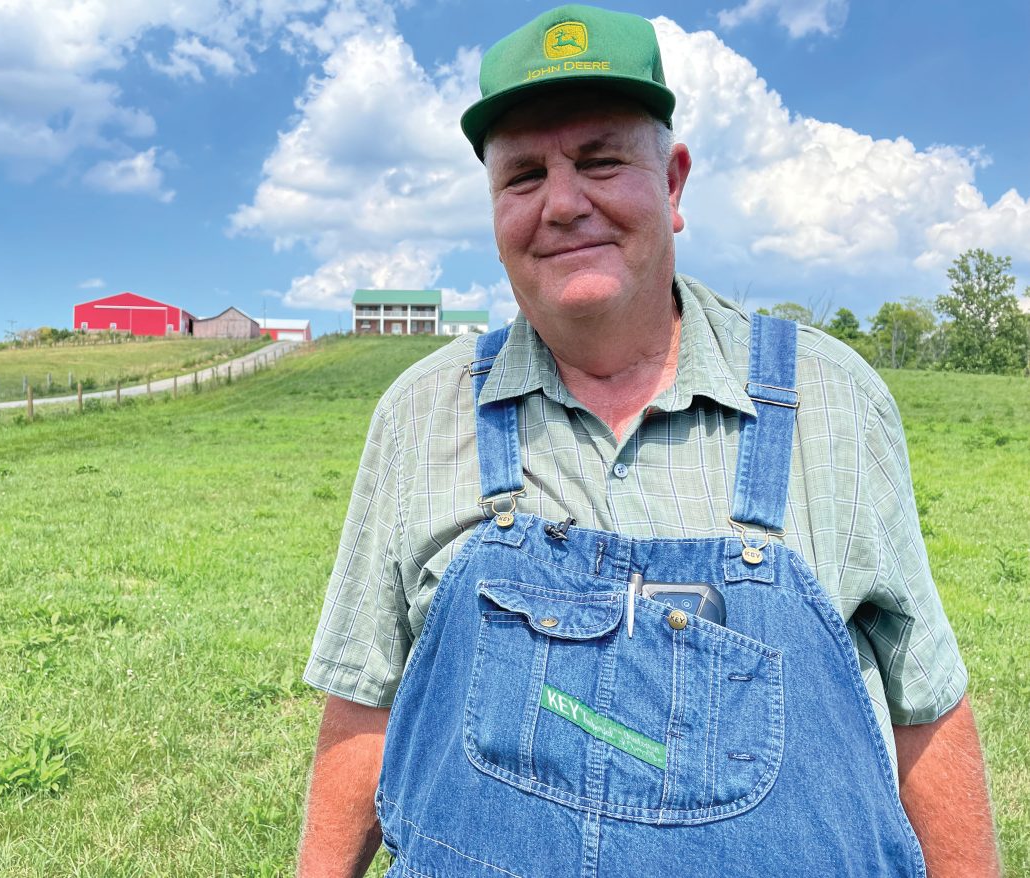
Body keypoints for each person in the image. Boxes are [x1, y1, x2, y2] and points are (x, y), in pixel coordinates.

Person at [297, 5, 1000, 876]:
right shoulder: (419, 416)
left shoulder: (833, 401)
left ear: (672, 183)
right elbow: (363, 715)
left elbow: (925, 712)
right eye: (523, 175)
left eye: (599, 161)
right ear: (492, 208)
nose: (562, 203)